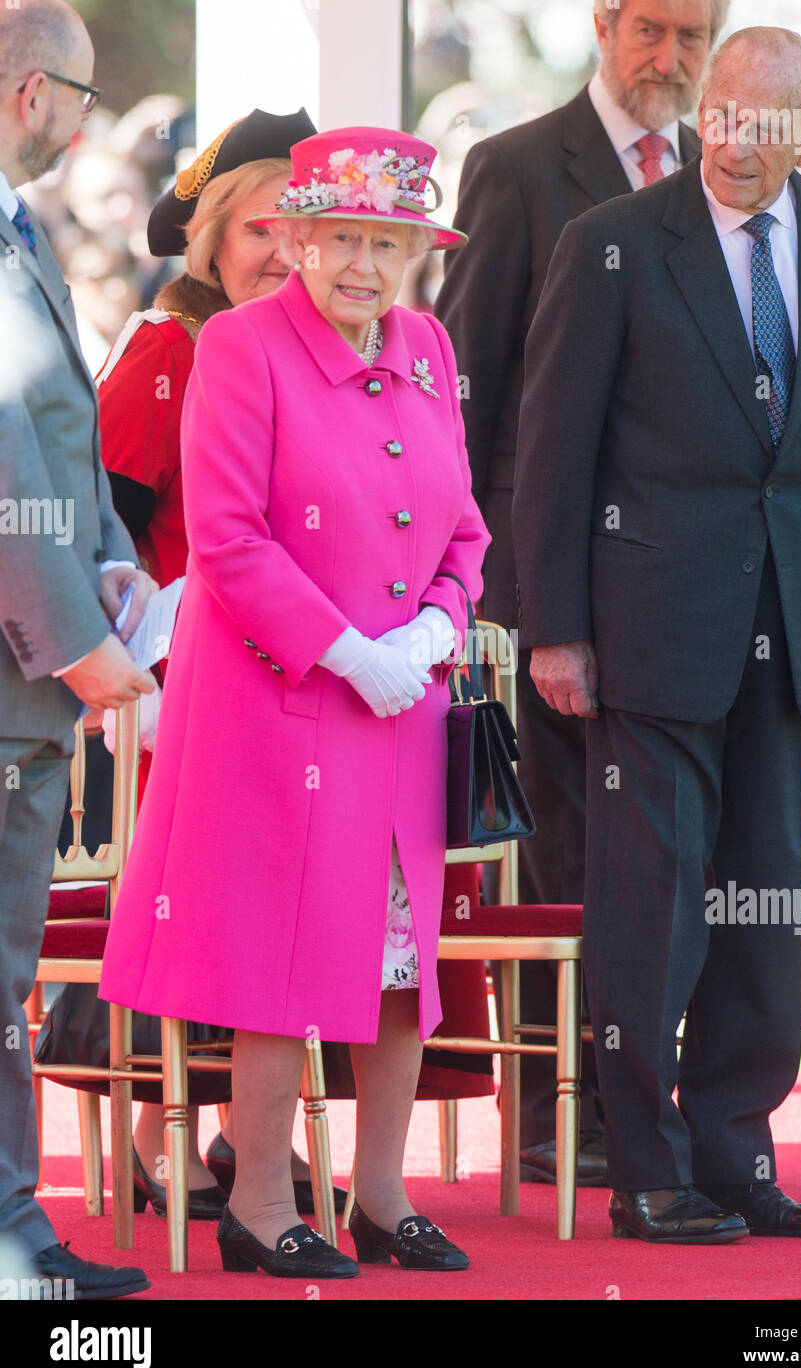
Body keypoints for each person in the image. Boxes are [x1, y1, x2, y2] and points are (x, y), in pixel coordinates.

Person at [512, 26, 801, 1243]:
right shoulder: (613, 244)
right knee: (656, 899)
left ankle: (737, 1150)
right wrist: (557, 630)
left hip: (790, 625)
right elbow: (552, 453)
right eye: (721, 115)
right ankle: (645, 1165)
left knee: (759, 899)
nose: (734, 142)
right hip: (647, 627)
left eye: (766, 125)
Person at [99, 126, 490, 1278]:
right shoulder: (238, 345)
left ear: (418, 250)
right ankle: (259, 1197)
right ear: (296, 236)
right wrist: (341, 648)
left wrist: (435, 623)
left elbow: (463, 527)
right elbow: (223, 536)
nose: (363, 264)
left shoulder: (425, 343)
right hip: (276, 702)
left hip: (401, 700)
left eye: (389, 242)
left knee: (397, 957)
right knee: (276, 952)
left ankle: (381, 1192)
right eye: (341, 238)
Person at [435, 0, 729, 1187]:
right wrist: (497, 592)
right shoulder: (513, 167)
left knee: (669, 867)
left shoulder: (724, 175)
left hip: (691, 601)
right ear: (603, 24)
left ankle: (646, 1111)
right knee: (566, 859)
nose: (669, 58)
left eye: (693, 37)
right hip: (550, 593)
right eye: (650, 29)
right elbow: (469, 382)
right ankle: (562, 1122)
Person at [54, 109, 340, 1222]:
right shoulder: (170, 350)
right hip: (184, 692)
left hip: (291, 678)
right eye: (261, 228)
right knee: (212, 912)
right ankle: (160, 1130)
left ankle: (231, 1136)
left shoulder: (313, 351)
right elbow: (101, 520)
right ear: (212, 235)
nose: (283, 251)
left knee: (273, 912)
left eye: (299, 230)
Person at [0, 0, 157, 1297]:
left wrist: (108, 550)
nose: (85, 118)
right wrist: (76, 648)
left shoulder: (22, 226)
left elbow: (62, 429)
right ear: (26, 92)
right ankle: (10, 1238)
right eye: (80, 95)